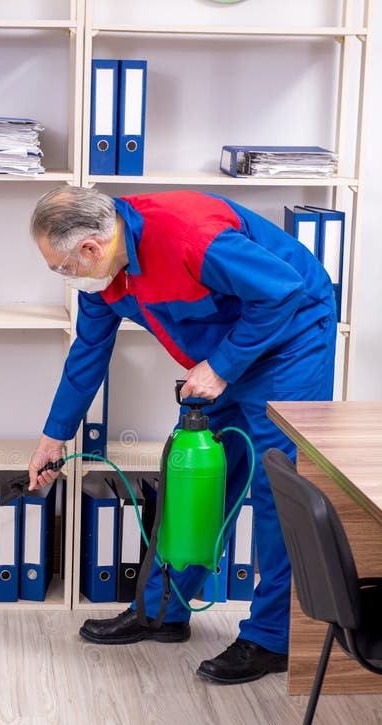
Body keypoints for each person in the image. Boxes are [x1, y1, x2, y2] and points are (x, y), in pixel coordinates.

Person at [28, 186, 336, 685]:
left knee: (276, 488)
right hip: (224, 351)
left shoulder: (188, 234)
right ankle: (162, 611)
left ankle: (271, 639)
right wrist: (52, 439)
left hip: (289, 339)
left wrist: (222, 366)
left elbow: (283, 290)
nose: (65, 276)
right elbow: (87, 354)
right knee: (190, 475)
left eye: (61, 267)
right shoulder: (104, 277)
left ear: (90, 247)